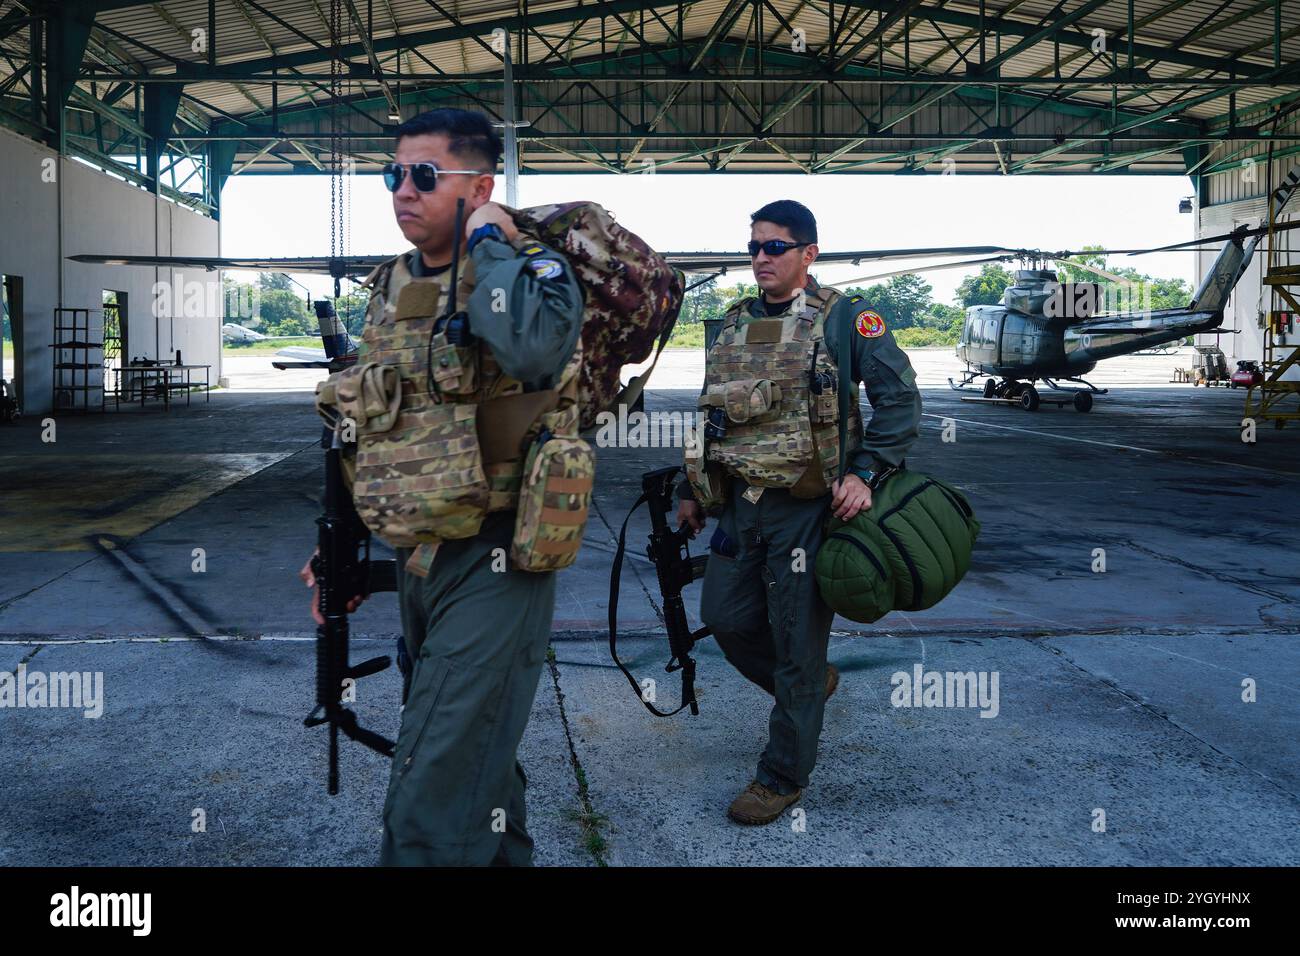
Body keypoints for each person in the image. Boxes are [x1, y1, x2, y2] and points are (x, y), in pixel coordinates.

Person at [302, 107, 585, 864]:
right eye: (393, 174)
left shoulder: (532, 270)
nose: (402, 190)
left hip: (497, 558)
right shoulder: (390, 284)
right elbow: (364, 418)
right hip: (418, 557)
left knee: (429, 788)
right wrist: (337, 545)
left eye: (425, 176)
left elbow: (530, 348)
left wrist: (491, 238)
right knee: (474, 760)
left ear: (481, 185)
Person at [677, 199, 922, 825]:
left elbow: (898, 400)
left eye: (775, 247)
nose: (760, 257)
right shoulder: (732, 323)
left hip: (806, 511)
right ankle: (810, 686)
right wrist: (694, 489)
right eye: (754, 245)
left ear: (809, 253)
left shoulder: (848, 321)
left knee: (797, 645)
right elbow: (715, 416)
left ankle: (780, 777)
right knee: (725, 621)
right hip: (742, 506)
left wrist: (866, 473)